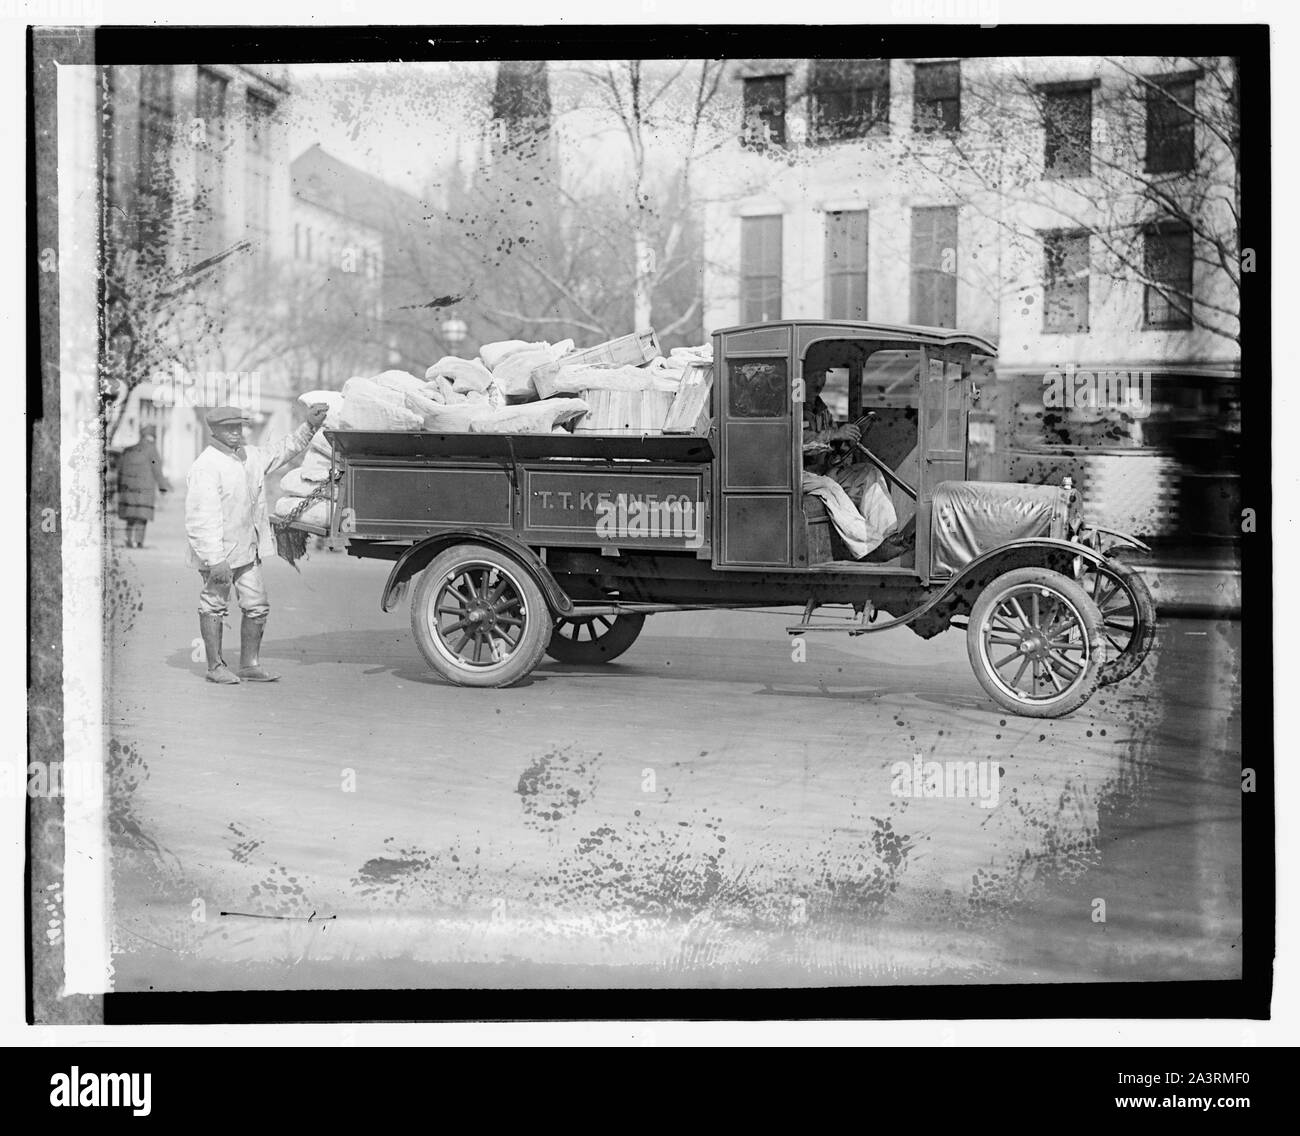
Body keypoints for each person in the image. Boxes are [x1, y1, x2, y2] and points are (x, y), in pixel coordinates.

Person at [185, 403, 329, 685]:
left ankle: (249, 664)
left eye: (239, 427)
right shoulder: (206, 466)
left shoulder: (249, 456)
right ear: (214, 431)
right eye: (229, 428)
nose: (237, 433)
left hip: (246, 551)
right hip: (219, 554)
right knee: (214, 605)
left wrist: (309, 426)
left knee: (257, 606)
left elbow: (282, 450)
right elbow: (200, 519)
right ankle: (215, 666)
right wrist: (215, 559)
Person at [801, 368, 898, 560]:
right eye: (814, 374)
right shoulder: (791, 407)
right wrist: (835, 435)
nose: (819, 380)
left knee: (868, 472)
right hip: (794, 474)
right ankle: (871, 547)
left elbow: (832, 443)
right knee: (829, 487)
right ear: (800, 376)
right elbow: (798, 441)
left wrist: (843, 449)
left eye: (822, 375)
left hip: (821, 471)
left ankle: (888, 537)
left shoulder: (821, 408)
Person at [117, 425, 170, 548]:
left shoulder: (128, 451)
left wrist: (120, 488)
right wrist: (162, 486)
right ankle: (138, 541)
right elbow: (156, 468)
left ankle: (129, 539)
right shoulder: (151, 451)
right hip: (144, 491)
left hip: (128, 490)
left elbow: (120, 469)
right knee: (142, 517)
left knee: (131, 516)